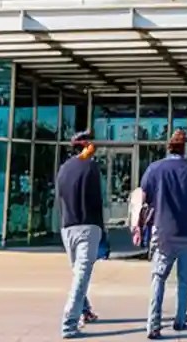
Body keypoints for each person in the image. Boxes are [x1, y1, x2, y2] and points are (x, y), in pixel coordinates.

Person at [138, 130, 187, 339]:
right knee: (184, 280)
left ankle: (153, 324)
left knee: (158, 278)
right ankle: (179, 320)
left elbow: (143, 197)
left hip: (162, 232)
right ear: (184, 148)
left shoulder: (154, 169)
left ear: (168, 147)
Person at [56, 131, 104, 339]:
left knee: (78, 273)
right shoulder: (91, 167)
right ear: (86, 147)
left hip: (68, 227)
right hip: (88, 226)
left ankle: (85, 309)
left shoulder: (63, 169)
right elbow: (96, 200)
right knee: (82, 276)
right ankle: (69, 323)